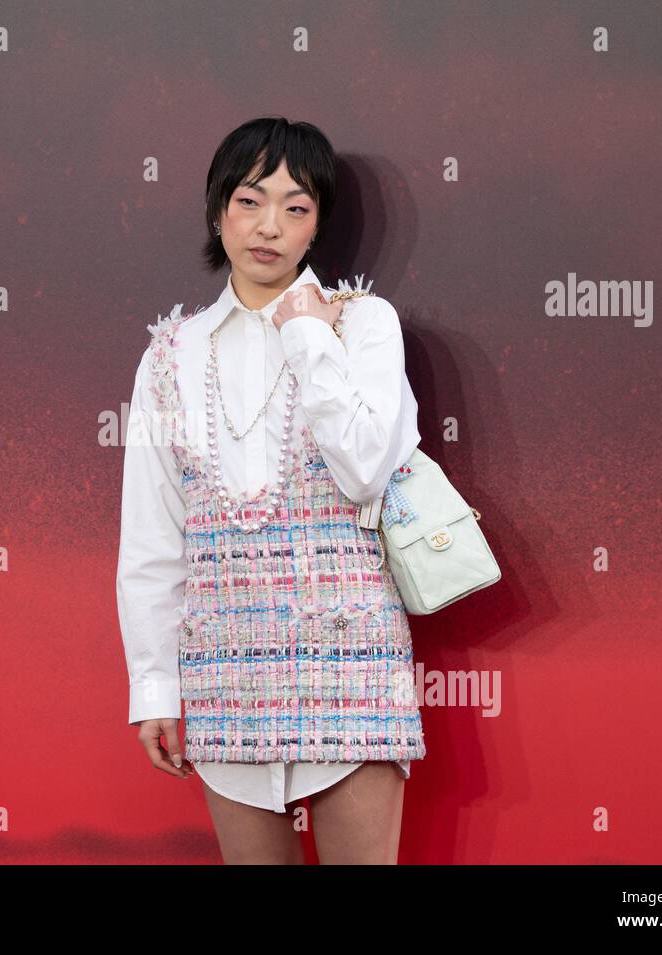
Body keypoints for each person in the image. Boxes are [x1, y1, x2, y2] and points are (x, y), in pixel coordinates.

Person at [116, 116, 426, 864]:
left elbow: (365, 471)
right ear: (218, 208)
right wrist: (154, 687)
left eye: (296, 207)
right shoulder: (169, 357)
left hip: (348, 658)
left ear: (317, 224)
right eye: (251, 201)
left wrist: (309, 335)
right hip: (227, 667)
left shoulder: (365, 326)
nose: (269, 227)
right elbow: (153, 539)